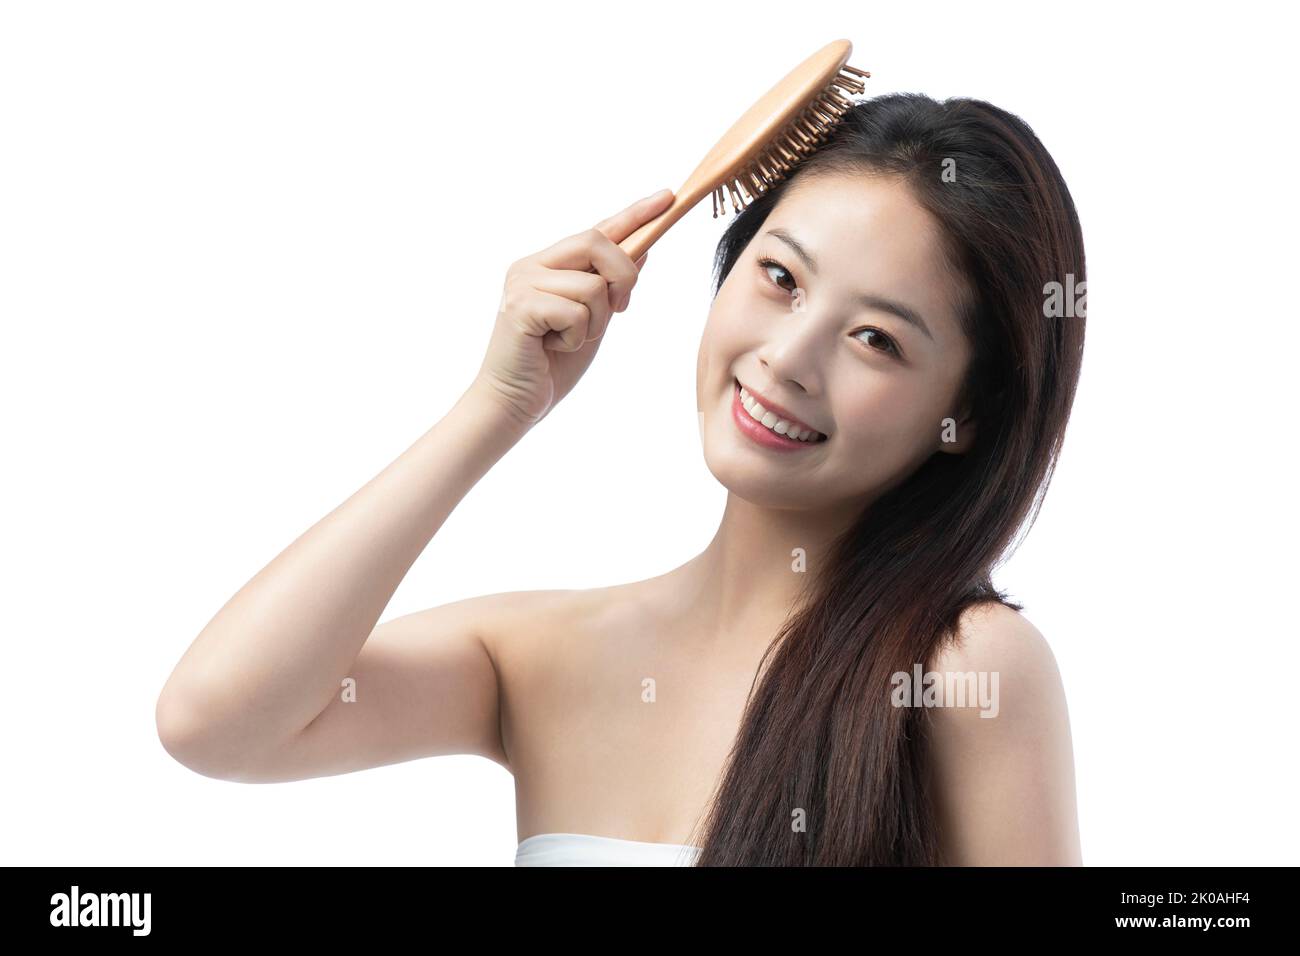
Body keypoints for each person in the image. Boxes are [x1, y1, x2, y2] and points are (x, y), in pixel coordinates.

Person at [157, 93, 1086, 866]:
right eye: (780, 277)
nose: (789, 358)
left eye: (875, 339)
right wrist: (494, 407)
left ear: (970, 415)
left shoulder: (961, 672)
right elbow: (215, 722)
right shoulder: (541, 655)